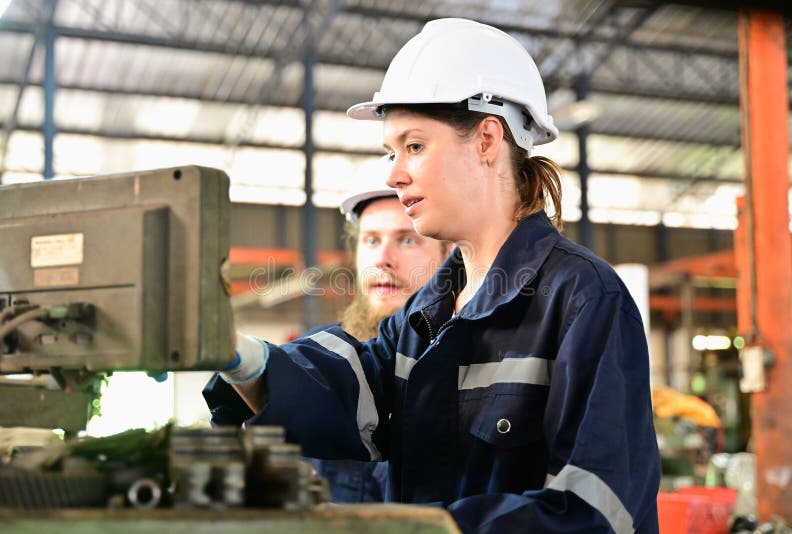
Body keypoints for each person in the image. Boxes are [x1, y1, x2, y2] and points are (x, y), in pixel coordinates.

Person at [220, 18, 660, 533]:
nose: (393, 172)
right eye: (391, 151)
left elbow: (599, 513)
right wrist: (234, 353)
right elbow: (346, 394)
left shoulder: (583, 299)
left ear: (487, 140)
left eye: (414, 146)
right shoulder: (427, 312)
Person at [203, 157, 451, 502]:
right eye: (371, 240)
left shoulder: (464, 371)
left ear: (450, 254)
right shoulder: (312, 361)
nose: (384, 259)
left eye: (407, 240)